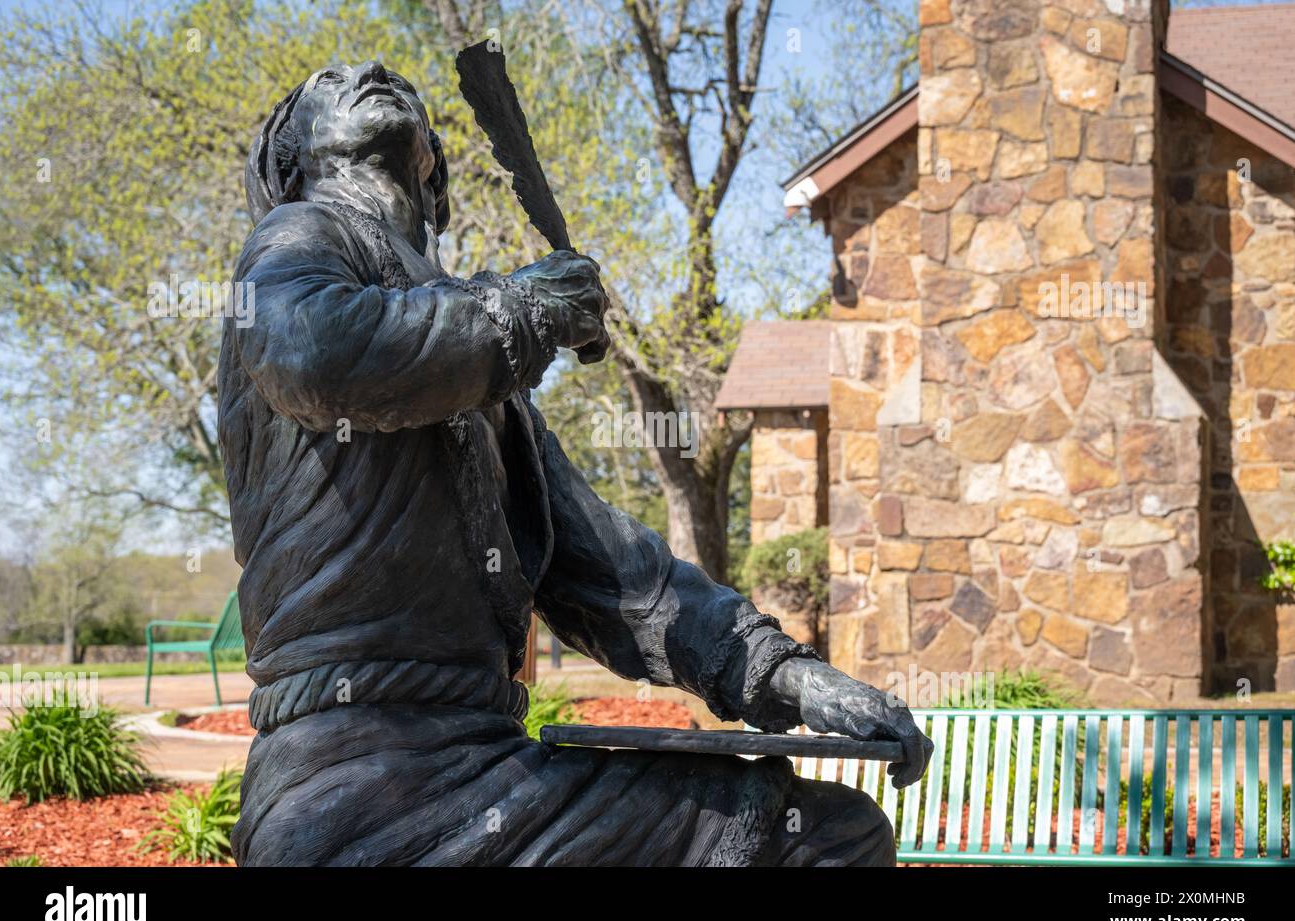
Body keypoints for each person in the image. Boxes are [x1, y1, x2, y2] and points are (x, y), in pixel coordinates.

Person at [220, 60, 932, 866]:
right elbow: (314, 350)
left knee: (825, 831)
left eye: (401, 92)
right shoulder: (297, 239)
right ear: (292, 159)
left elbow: (626, 582)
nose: (373, 72)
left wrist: (790, 677)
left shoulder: (491, 394)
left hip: (481, 766)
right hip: (347, 787)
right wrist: (524, 310)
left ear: (434, 170)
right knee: (819, 842)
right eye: (332, 80)